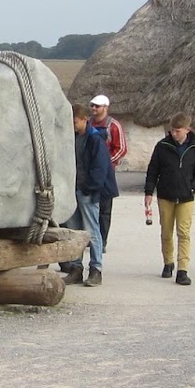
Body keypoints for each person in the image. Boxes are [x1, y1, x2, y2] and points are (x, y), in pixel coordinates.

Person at [143, 113, 195, 285]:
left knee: (184, 233)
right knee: (166, 232)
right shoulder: (162, 147)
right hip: (165, 196)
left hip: (186, 197)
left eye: (178, 131)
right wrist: (149, 192)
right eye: (172, 130)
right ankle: (168, 262)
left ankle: (183, 269)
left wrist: (193, 187)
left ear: (187, 130)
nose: (174, 134)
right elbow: (153, 170)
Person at [60, 103, 109, 285]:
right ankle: (76, 267)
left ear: (84, 120)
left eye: (74, 121)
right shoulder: (72, 138)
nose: (72, 125)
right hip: (73, 190)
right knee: (74, 231)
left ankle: (96, 269)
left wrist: (88, 188)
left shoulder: (95, 139)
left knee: (91, 231)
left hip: (87, 191)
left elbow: (100, 167)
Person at [87, 95, 128, 253]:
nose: (94, 109)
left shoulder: (113, 125)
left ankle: (102, 240)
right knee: (90, 207)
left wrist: (105, 162)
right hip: (90, 170)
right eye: (92, 106)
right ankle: (90, 238)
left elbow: (121, 148)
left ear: (106, 107)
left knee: (104, 209)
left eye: (97, 106)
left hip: (106, 173)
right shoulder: (89, 124)